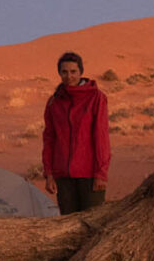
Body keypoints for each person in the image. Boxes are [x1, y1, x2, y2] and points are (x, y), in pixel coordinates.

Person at [42, 51, 110, 214]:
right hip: (63, 176)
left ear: (81, 72)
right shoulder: (54, 102)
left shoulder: (96, 97)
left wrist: (101, 173)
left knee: (92, 224)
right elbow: (49, 139)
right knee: (68, 227)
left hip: (89, 174)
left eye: (73, 71)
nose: (69, 76)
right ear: (59, 73)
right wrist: (49, 174)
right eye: (64, 72)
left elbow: (101, 136)